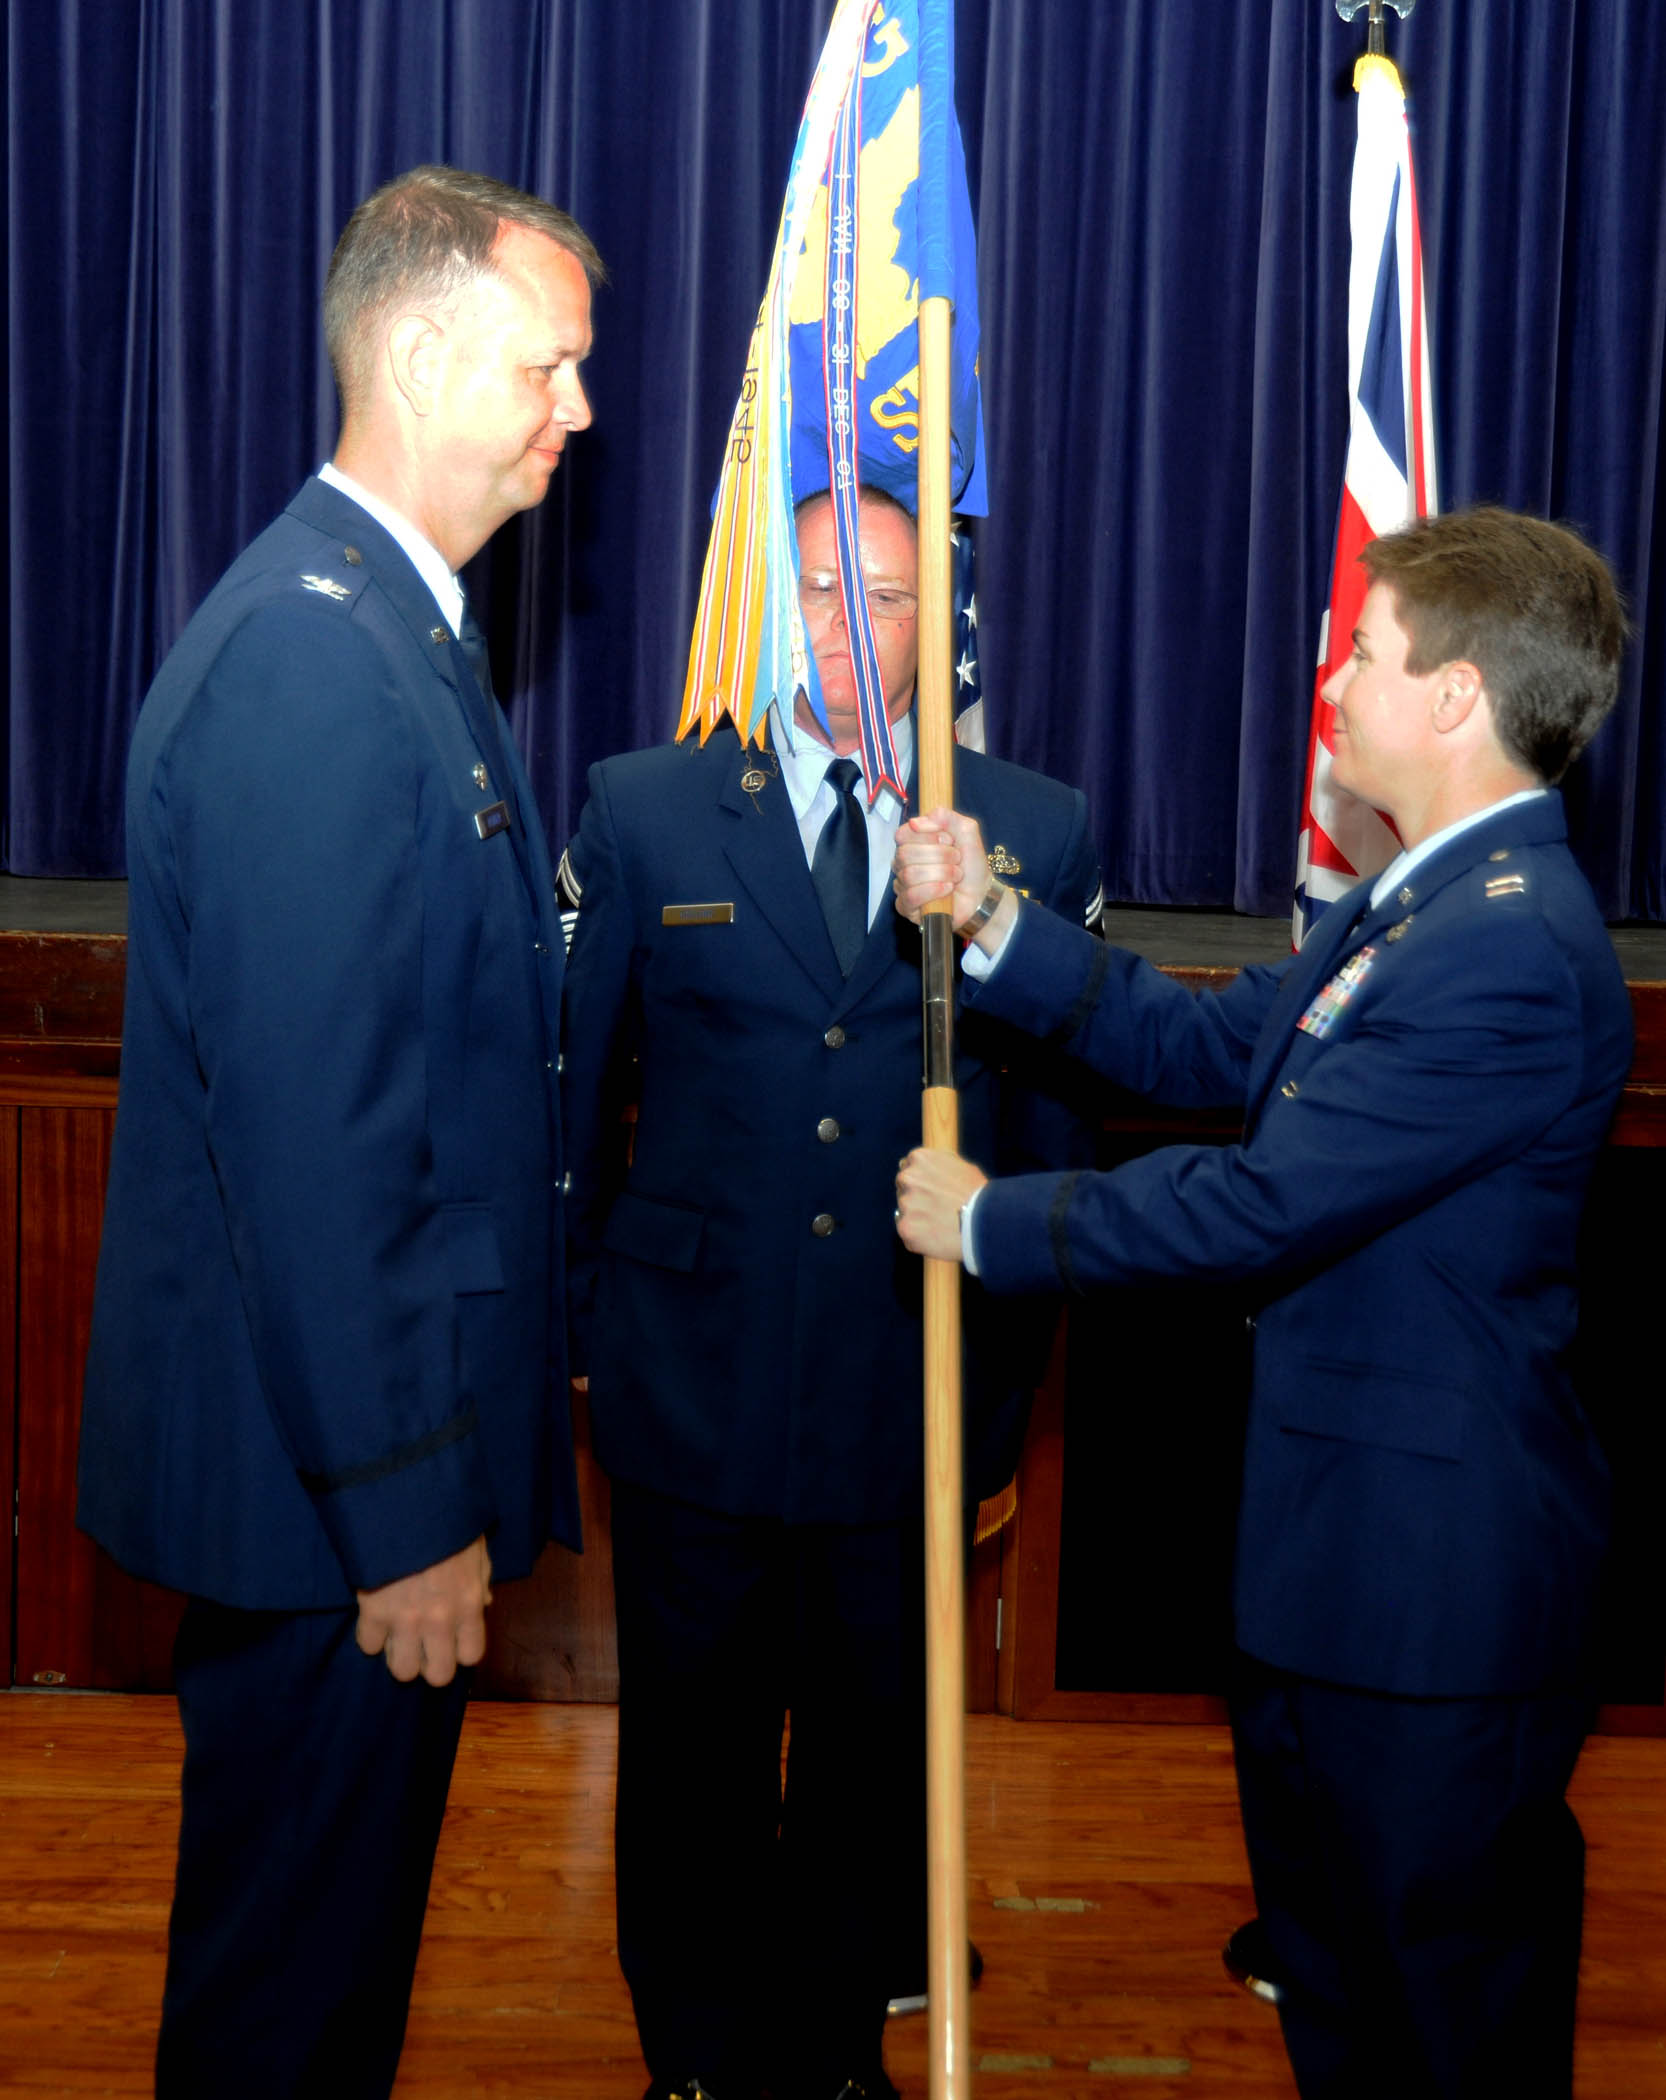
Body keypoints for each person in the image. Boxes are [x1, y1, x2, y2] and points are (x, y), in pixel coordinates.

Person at [893, 507, 1631, 2100]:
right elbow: (1223, 1059)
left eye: (1361, 653)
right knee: (1344, 1999)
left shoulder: (1506, 947)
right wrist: (999, 928)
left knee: (1438, 2016)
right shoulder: (1415, 903)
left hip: (1437, 1599)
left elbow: (1261, 1203)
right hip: (1340, 1571)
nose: (1332, 687)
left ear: (1452, 698)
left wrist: (994, 1223)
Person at [77, 166, 603, 2099]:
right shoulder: (320, 658)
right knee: (288, 1999)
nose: (578, 408)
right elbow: (324, 1153)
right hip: (332, 1509)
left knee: (321, 1965)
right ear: (420, 351)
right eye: (547, 366)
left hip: (342, 1479)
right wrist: (407, 1519)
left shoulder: (394, 624)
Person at [559, 485, 1103, 2100]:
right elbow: (576, 1102)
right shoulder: (646, 808)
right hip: (690, 1384)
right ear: (766, 606)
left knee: (874, 1759)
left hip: (905, 1386)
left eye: (880, 594)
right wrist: (585, 1342)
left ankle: (830, 2055)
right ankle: (698, 2063)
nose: (844, 626)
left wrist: (1003, 1384)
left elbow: (1051, 1137)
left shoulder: (1032, 827)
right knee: (692, 1758)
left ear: (939, 620)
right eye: (812, 590)